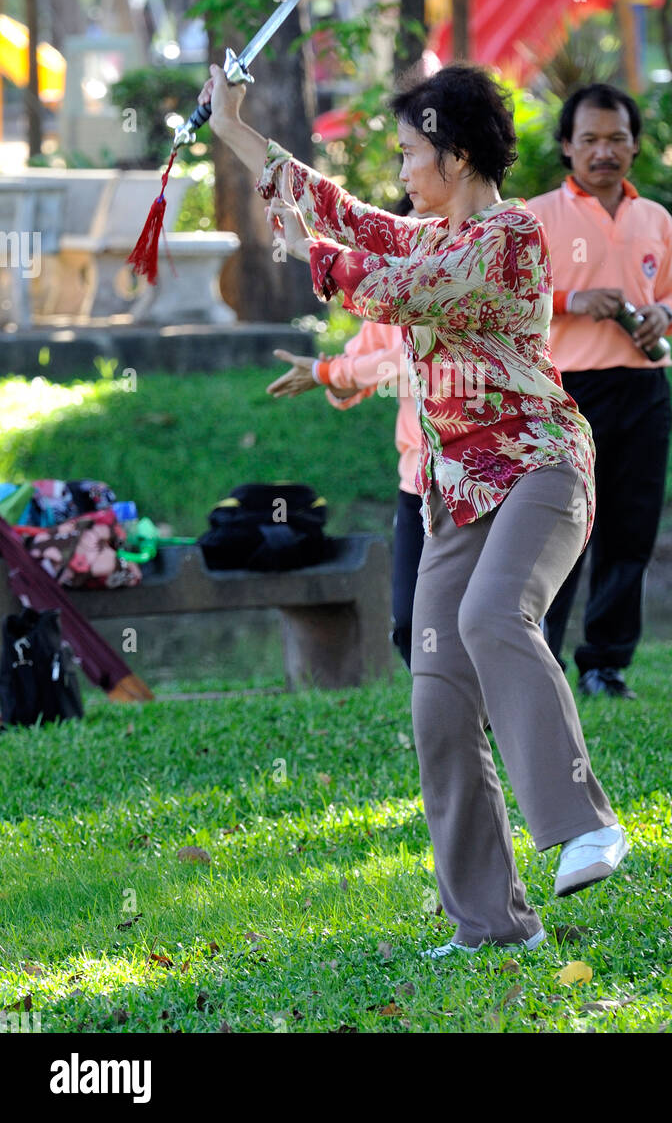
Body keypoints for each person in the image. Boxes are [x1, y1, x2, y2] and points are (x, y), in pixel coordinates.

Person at [198, 60, 628, 956]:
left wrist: (307, 251)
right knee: (436, 702)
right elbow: (334, 206)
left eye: (407, 154)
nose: (397, 172)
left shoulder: (506, 239)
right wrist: (234, 125)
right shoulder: (426, 237)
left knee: (492, 616)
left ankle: (586, 822)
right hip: (453, 497)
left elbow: (389, 292)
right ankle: (492, 923)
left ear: (457, 154)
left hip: (540, 469)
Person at [529, 83, 672, 700]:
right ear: (567, 146)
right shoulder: (535, 217)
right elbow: (502, 297)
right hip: (566, 393)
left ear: (635, 146)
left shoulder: (654, 218)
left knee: (630, 530)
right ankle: (538, 659)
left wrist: (667, 316)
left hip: (646, 388)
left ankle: (605, 664)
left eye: (617, 139)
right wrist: (573, 302)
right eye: (590, 139)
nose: (604, 151)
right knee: (557, 532)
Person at [266, 195, 423, 669]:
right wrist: (328, 374)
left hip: (485, 477)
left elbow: (418, 365)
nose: (416, 248)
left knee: (493, 620)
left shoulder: (474, 286)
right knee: (411, 624)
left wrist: (329, 371)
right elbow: (362, 366)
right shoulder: (391, 302)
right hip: (417, 479)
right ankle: (463, 725)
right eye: (406, 237)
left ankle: (512, 718)